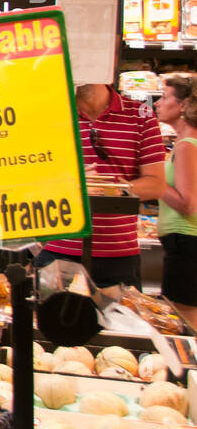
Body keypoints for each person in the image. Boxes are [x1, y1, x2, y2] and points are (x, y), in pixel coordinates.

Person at [39, 83, 165, 288]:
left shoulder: (141, 115)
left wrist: (113, 189)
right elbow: (30, 181)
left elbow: (156, 185)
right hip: (59, 250)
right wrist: (71, 184)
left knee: (118, 319)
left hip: (118, 255)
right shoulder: (51, 113)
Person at [155, 74, 197, 322]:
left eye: (164, 97)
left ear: (183, 105)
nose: (158, 103)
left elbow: (188, 203)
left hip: (186, 244)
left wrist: (156, 183)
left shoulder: (186, 146)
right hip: (183, 244)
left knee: (185, 321)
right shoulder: (184, 143)